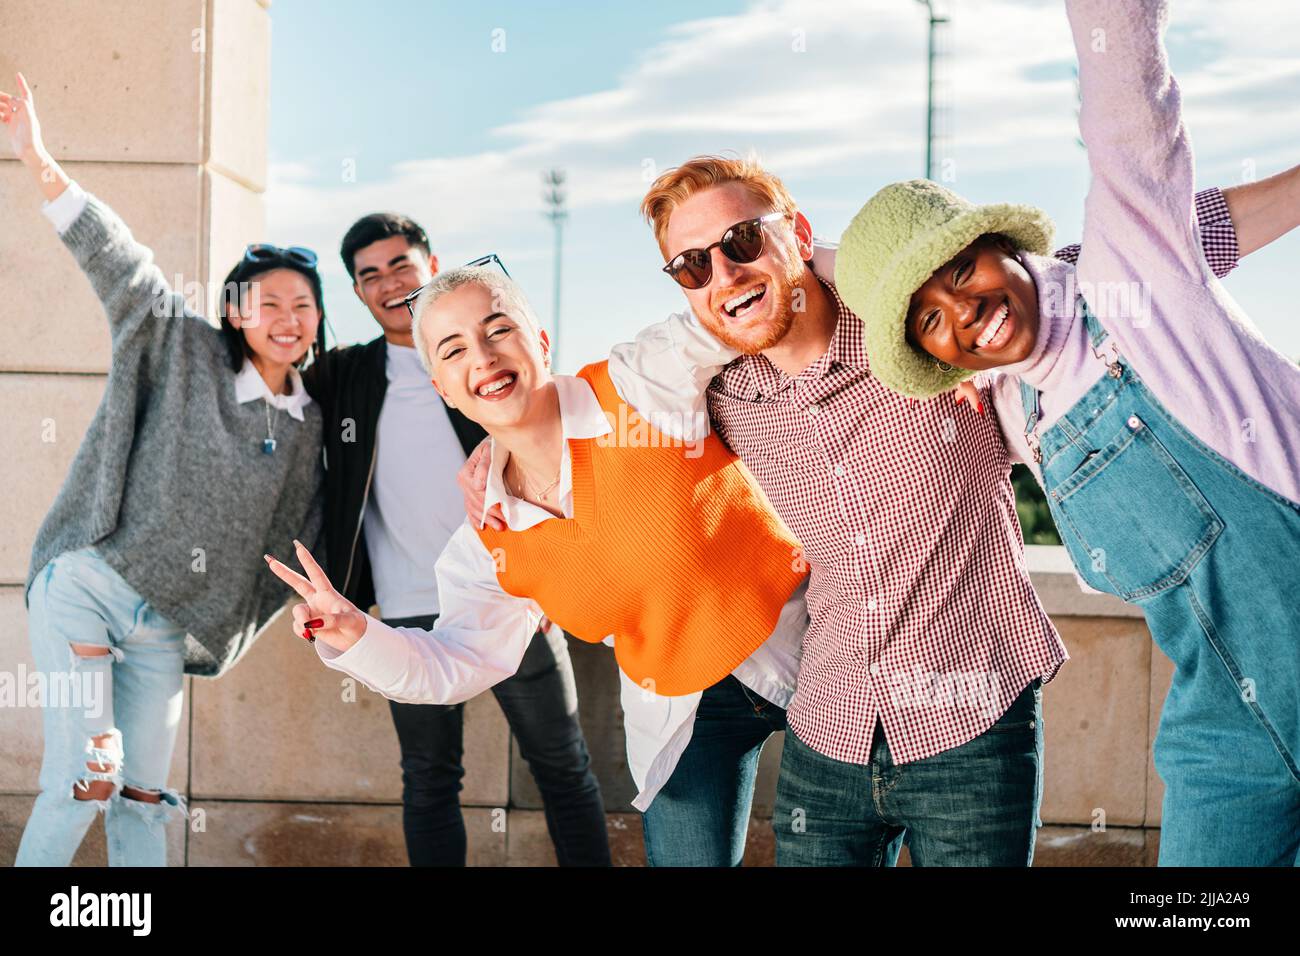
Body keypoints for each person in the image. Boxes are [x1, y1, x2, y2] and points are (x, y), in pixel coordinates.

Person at [834, 0, 1300, 866]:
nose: (965, 312)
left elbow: (1125, 108)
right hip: (1225, 733)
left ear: (1003, 243)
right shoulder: (1017, 412)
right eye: (927, 318)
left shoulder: (1131, 269)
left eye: (963, 270)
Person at [269, 265, 812, 866]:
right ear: (441, 388)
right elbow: (457, 661)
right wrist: (355, 634)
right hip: (685, 714)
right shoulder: (488, 540)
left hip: (826, 654)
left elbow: (752, 301)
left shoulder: (635, 386)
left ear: (542, 341)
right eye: (453, 350)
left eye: (498, 330)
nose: (482, 356)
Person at [3, 73, 324, 866]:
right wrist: (39, 158)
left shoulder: (315, 425)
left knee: (144, 797)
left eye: (302, 304)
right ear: (234, 311)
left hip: (166, 626)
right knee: (87, 773)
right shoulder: (181, 346)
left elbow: (313, 531)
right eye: (267, 302)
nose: (286, 319)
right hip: (90, 585)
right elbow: (119, 257)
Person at [302, 219, 609, 867]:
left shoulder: (484, 368)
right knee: (429, 777)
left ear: (430, 264)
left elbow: (541, 424)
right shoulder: (346, 376)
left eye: (400, 265)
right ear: (356, 292)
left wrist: (547, 570)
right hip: (407, 600)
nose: (389, 283)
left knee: (562, 762)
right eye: (370, 275)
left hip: (514, 591)